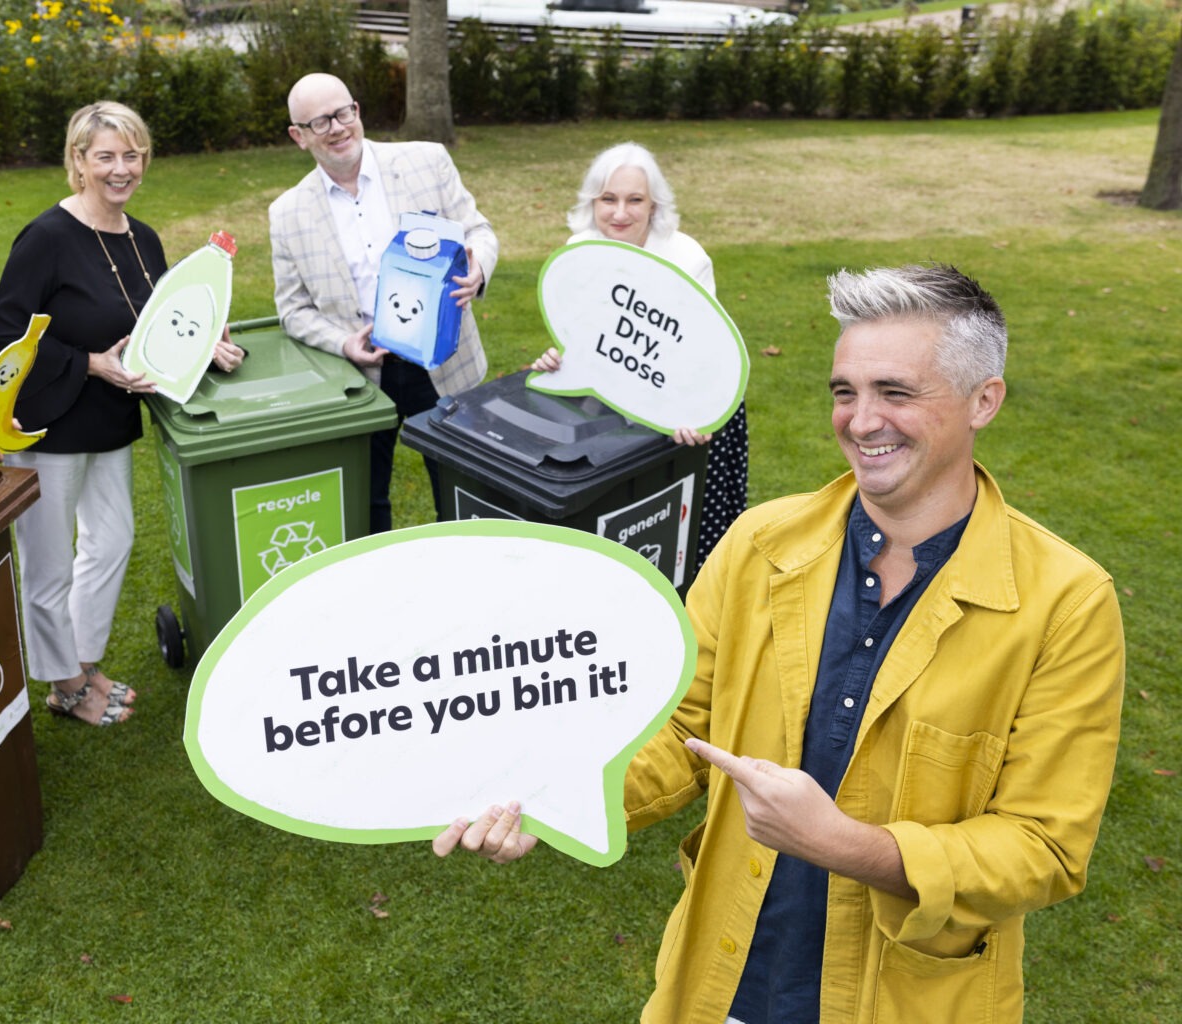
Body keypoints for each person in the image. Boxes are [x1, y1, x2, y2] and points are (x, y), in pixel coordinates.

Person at [437, 264, 1125, 1023]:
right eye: (845, 391)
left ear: (982, 400)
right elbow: (680, 726)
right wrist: (546, 796)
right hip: (725, 978)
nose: (861, 422)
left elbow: (1044, 846)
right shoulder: (759, 542)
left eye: (895, 393)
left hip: (905, 998)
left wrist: (850, 846)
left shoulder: (1066, 601)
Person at [0, 100, 244, 727]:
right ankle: (67, 686)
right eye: (105, 156)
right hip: (49, 419)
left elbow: (157, 323)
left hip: (109, 422)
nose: (120, 169)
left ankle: (80, 662)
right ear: (79, 162)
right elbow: (2, 331)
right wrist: (90, 363)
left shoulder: (143, 237)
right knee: (48, 564)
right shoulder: (45, 238)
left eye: (132, 155)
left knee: (112, 540)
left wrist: (205, 338)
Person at [269, 72, 499, 533]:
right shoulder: (287, 213)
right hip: (362, 371)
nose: (336, 128)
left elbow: (478, 231)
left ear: (357, 110)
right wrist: (341, 343)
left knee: (460, 491)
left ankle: (465, 572)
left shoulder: (425, 161)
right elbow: (292, 310)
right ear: (298, 136)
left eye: (342, 113)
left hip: (443, 359)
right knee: (363, 501)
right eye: (319, 123)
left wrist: (478, 269)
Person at [533, 141, 746, 570]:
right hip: (613, 411)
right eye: (608, 199)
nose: (620, 213)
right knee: (621, 527)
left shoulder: (687, 258)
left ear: (654, 206)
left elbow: (703, 356)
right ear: (592, 202)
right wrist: (559, 360)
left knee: (688, 538)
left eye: (635, 200)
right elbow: (587, 335)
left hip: (682, 413)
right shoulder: (580, 249)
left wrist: (699, 414)